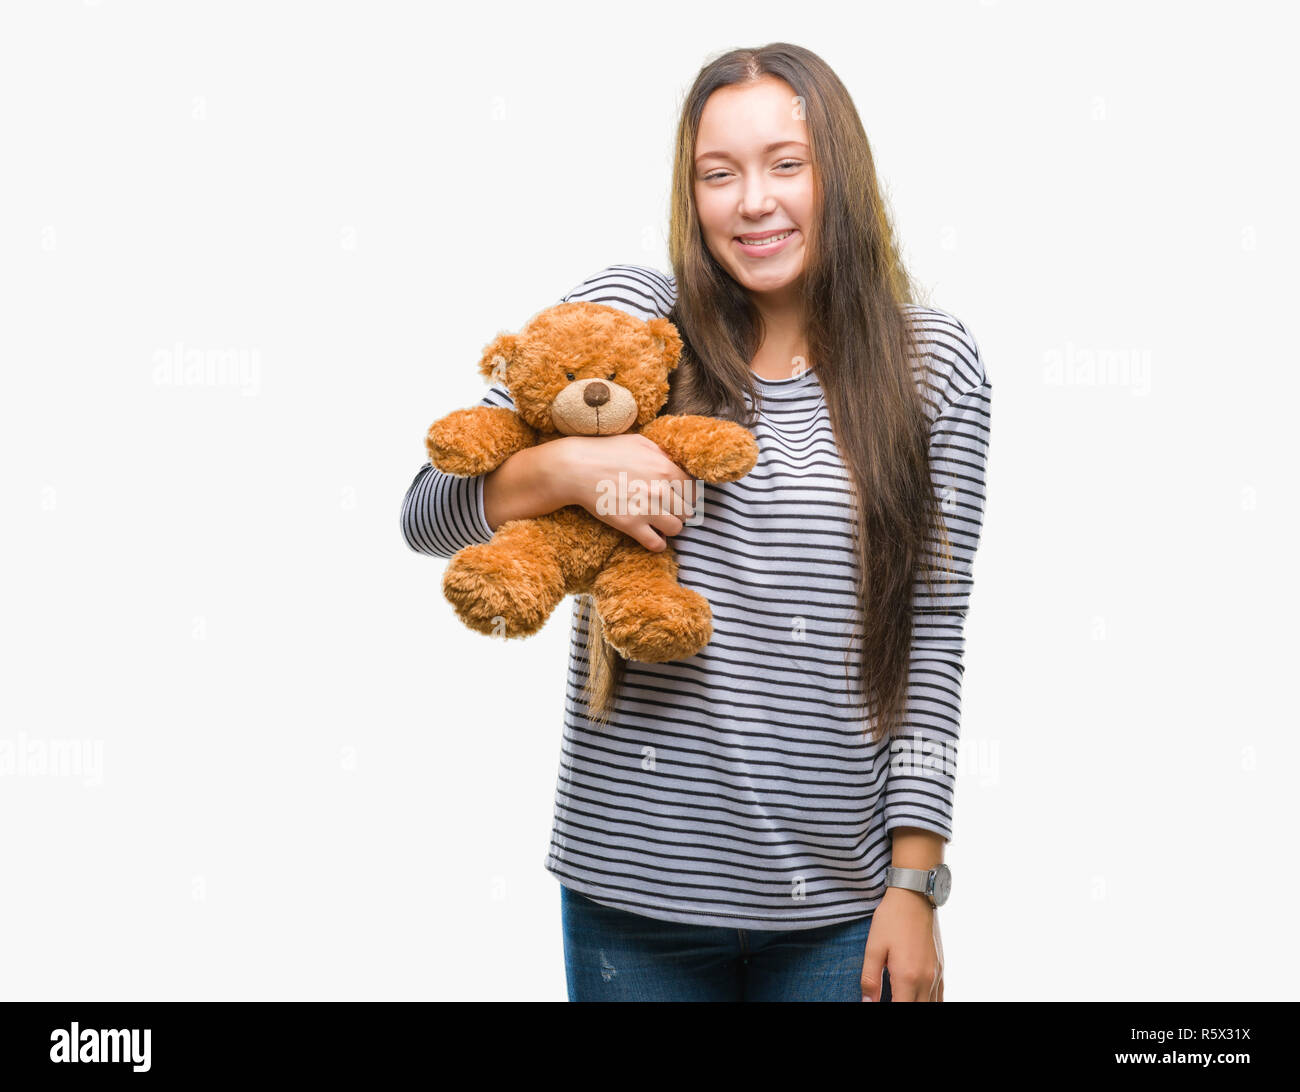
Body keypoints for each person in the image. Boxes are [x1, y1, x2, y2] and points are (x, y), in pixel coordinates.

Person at [401, 42, 991, 1002]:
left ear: (839, 171)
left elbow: (932, 633)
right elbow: (427, 511)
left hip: (842, 906)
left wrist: (915, 883)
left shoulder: (934, 366)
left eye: (785, 164)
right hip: (631, 899)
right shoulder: (639, 316)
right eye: (718, 174)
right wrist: (571, 464)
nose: (752, 201)